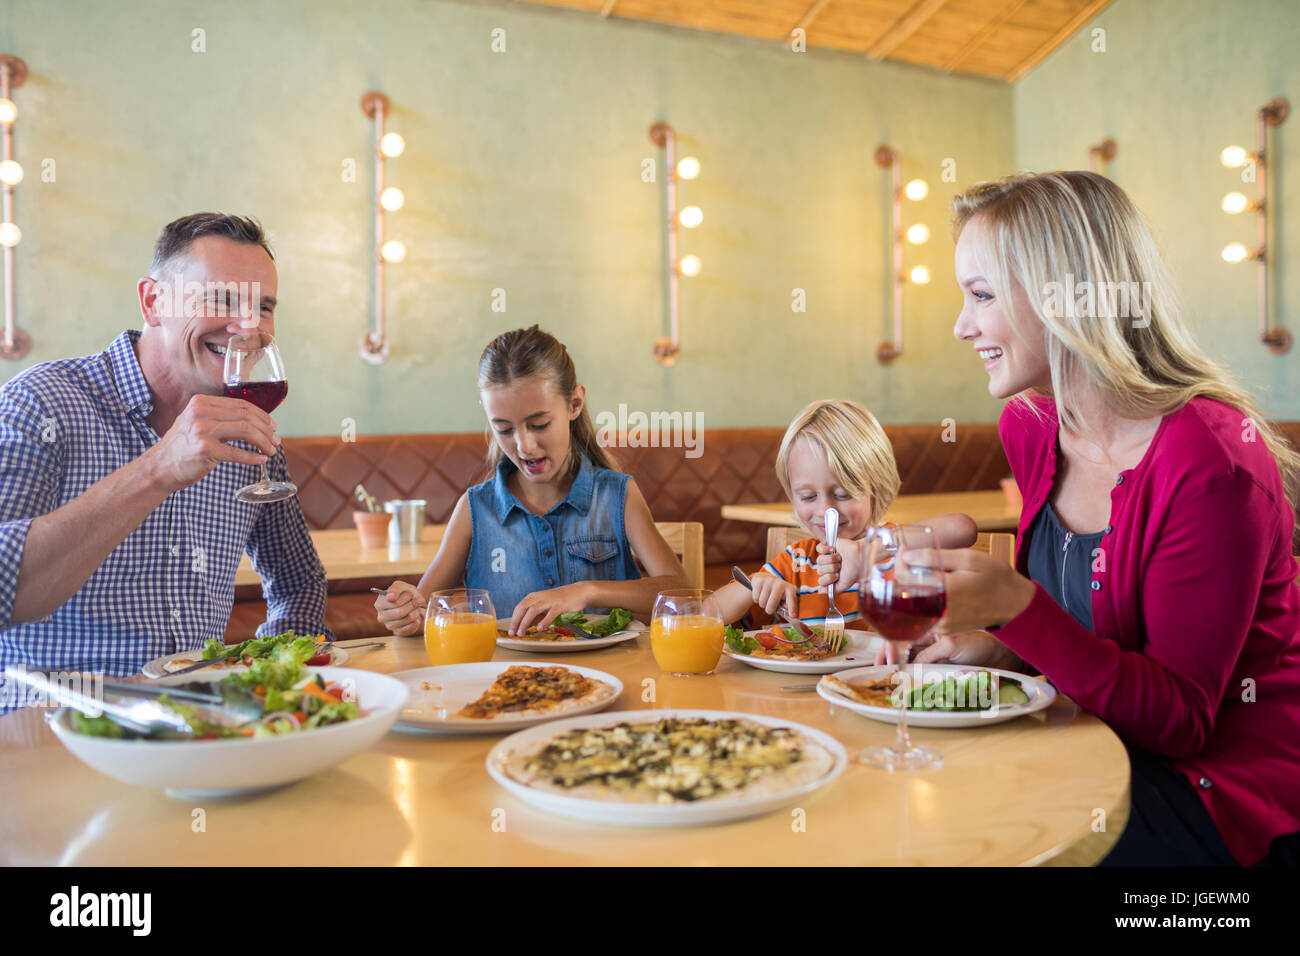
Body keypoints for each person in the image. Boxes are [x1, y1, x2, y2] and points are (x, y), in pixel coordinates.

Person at [908, 170, 1300, 865]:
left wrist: (1017, 611)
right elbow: (1092, 630)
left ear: (1064, 298)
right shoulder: (1031, 426)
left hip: (1219, 786)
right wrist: (1003, 645)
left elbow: (1182, 722)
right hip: (1091, 735)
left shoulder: (1210, 463)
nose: (961, 325)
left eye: (981, 295)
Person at [0, 213, 329, 712]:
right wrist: (159, 468)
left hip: (200, 731)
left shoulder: (249, 430)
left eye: (264, 307)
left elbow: (299, 582)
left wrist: (268, 679)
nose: (250, 328)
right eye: (221, 299)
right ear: (154, 302)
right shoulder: (42, 403)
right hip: (52, 734)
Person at [374, 325, 688, 636]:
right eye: (505, 429)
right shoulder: (476, 508)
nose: (524, 446)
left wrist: (586, 591)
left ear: (574, 404)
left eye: (539, 424)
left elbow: (681, 595)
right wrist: (403, 613)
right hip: (506, 681)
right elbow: (423, 612)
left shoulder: (616, 494)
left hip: (614, 678)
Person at [710, 399, 977, 626]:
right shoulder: (797, 562)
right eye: (808, 496)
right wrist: (754, 587)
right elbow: (705, 614)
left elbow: (961, 529)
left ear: (876, 487)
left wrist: (866, 551)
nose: (826, 511)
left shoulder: (894, 550)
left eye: (842, 494)